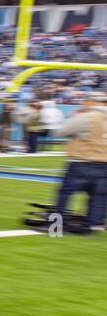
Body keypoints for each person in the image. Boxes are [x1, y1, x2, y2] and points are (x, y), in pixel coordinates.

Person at [51, 94, 107, 233]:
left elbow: (60, 132)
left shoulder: (86, 116)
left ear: (91, 102)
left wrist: (73, 118)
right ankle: (90, 226)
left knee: (65, 193)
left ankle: (56, 225)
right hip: (104, 163)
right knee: (98, 196)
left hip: (82, 161)